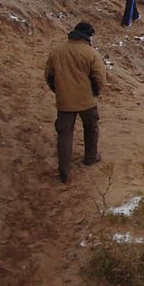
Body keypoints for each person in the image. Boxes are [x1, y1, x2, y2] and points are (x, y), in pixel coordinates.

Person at [44, 20, 106, 183]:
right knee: (91, 127)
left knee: (64, 135)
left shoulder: (57, 51)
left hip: (64, 101)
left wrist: (58, 90)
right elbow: (99, 77)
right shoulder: (91, 53)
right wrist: (95, 92)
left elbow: (49, 75)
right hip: (87, 100)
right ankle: (90, 157)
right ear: (88, 36)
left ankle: (64, 172)